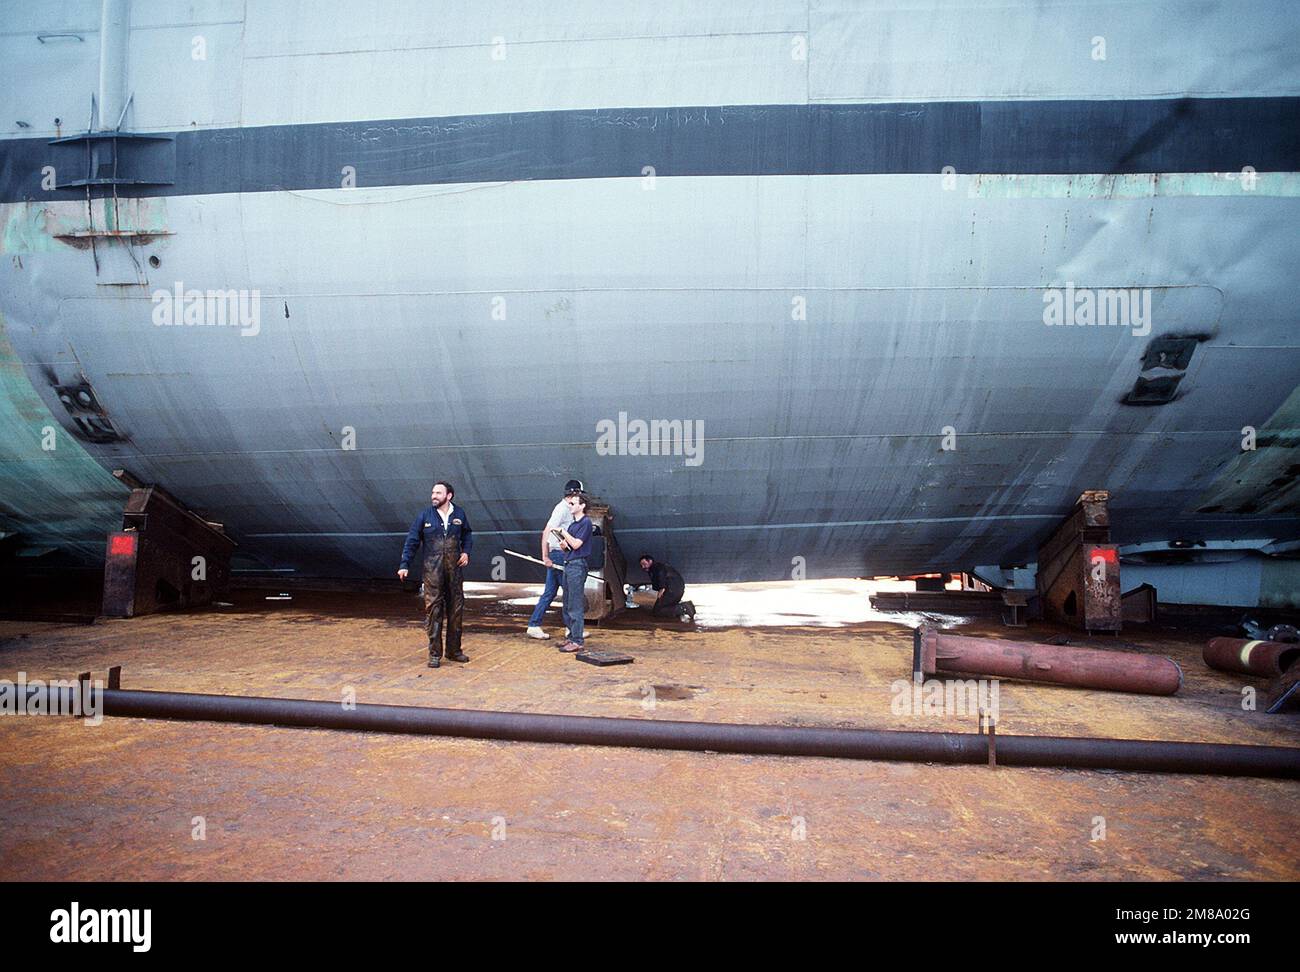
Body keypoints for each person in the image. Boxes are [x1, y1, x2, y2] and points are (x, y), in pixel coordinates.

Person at [398, 481, 473, 668]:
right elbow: (412, 540)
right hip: (433, 571)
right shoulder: (424, 516)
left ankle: (454, 651)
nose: (434, 496)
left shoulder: (460, 514)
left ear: (449, 496)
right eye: (433, 492)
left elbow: (467, 535)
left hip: (454, 571)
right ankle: (434, 654)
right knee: (434, 611)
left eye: (438, 493)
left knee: (456, 610)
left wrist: (466, 552)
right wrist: (404, 564)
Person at [526, 479, 585, 640]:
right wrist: (545, 556)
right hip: (559, 554)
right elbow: (547, 530)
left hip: (558, 553)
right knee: (569, 591)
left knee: (550, 592)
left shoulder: (566, 508)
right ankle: (570, 628)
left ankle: (534, 624)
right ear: (574, 493)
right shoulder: (562, 509)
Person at [555, 491, 595, 653]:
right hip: (569, 563)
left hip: (577, 565)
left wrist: (563, 533)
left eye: (573, 504)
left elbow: (577, 545)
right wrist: (563, 542)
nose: (570, 506)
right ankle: (571, 637)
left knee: (575, 604)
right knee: (567, 602)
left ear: (582, 506)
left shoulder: (585, 523)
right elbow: (569, 547)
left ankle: (577, 640)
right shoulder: (573, 525)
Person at [639, 554, 695, 621]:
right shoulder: (657, 567)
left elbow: (661, 575)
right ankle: (680, 608)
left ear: (650, 561)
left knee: (658, 611)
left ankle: (683, 608)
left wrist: (662, 589)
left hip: (672, 591)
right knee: (658, 609)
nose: (643, 567)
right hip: (675, 590)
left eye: (644, 564)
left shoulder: (657, 568)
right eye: (641, 565)